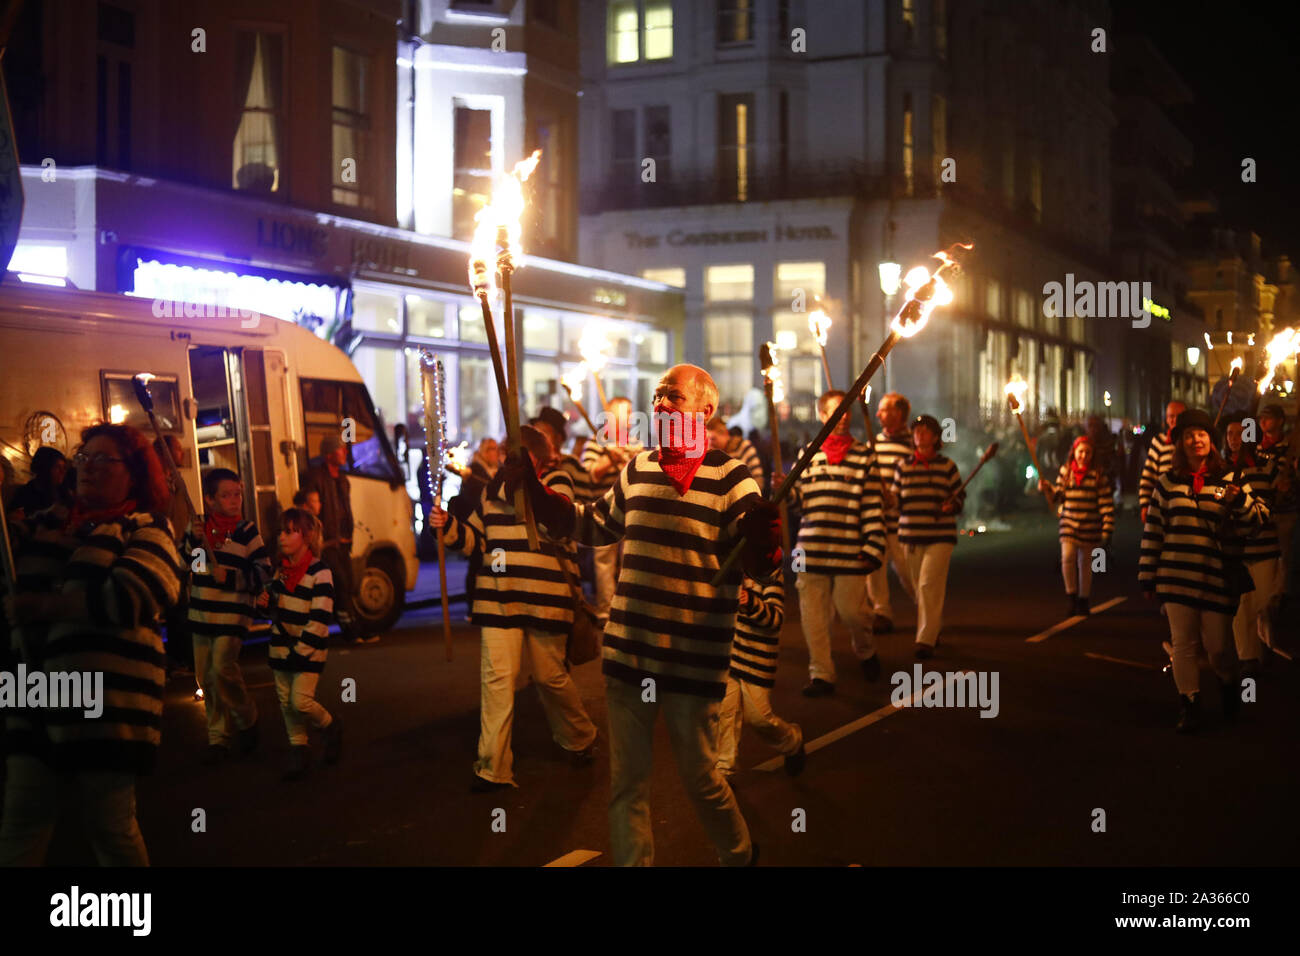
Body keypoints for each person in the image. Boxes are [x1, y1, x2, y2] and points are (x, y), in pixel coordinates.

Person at [505, 364, 780, 867]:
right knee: (628, 784)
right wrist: (538, 495)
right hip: (629, 653)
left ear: (705, 409)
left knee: (700, 778)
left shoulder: (731, 476)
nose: (660, 404)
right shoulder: (638, 469)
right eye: (656, 396)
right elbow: (592, 526)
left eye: (672, 395)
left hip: (694, 660)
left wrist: (766, 537)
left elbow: (759, 563)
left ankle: (739, 855)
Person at [1, 423, 182, 865]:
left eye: (105, 460)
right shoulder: (43, 524)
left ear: (135, 474)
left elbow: (131, 596)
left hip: (106, 708)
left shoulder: (147, 528)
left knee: (110, 827)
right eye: (84, 458)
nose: (88, 468)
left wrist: (42, 608)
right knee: (21, 824)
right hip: (34, 701)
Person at [430, 425, 598, 792]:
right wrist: (447, 528)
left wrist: (524, 482)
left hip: (546, 599)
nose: (505, 461)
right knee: (497, 681)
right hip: (498, 597)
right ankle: (493, 768)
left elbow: (555, 519)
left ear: (534, 458)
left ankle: (579, 736)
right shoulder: (491, 489)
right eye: (505, 455)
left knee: (550, 678)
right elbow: (476, 540)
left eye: (512, 456)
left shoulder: (560, 480)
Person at [1140, 409, 1264, 733]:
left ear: (1212, 441)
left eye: (1203, 434)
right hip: (1176, 577)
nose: (1197, 440)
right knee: (1183, 644)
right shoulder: (1167, 483)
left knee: (1219, 649)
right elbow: (1154, 529)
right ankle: (1190, 704)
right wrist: (1148, 574)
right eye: (1190, 435)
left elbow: (1258, 522)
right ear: (1180, 443)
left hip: (1216, 578)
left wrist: (1239, 503)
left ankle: (1228, 684)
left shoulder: (1230, 479)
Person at [792, 390, 887, 697]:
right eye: (837, 411)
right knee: (814, 617)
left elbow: (872, 505)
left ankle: (865, 650)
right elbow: (799, 502)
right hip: (811, 549)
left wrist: (873, 547)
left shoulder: (864, 456)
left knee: (852, 612)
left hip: (849, 550)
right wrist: (784, 490)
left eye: (847, 410)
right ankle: (821, 673)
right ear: (823, 415)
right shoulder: (808, 454)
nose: (844, 416)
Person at [184, 467, 272, 764]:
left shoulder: (247, 532)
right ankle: (218, 737)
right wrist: (194, 542)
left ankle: (246, 717)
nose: (235, 500)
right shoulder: (199, 529)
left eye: (237, 494)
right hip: (202, 612)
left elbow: (264, 572)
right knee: (205, 676)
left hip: (233, 613)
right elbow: (191, 568)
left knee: (222, 666)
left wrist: (233, 577)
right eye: (226, 495)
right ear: (210, 500)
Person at [257, 508, 342, 779]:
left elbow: (319, 618)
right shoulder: (280, 572)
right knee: (285, 703)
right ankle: (299, 749)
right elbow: (271, 610)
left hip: (308, 651)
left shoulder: (320, 572)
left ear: (306, 537)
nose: (282, 537)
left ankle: (330, 726)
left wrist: (301, 651)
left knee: (300, 701)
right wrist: (263, 603)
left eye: (290, 531)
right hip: (280, 647)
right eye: (281, 531)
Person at [716, 568, 804, 777]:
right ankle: (724, 769)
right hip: (728, 657)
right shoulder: (726, 568)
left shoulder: (770, 574)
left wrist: (750, 602)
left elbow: (775, 619)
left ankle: (792, 741)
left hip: (756, 661)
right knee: (725, 714)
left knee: (759, 719)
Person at [891, 415, 964, 659]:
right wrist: (886, 497)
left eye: (925, 431)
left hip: (940, 536)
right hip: (911, 535)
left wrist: (950, 506)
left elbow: (959, 498)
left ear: (935, 437)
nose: (920, 435)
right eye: (916, 431)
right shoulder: (903, 467)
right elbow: (895, 501)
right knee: (917, 587)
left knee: (927, 584)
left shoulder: (947, 466)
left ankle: (925, 640)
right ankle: (933, 628)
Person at [1224, 418, 1288, 677]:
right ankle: (1246, 657)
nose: (1234, 438)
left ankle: (1265, 647)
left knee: (1264, 605)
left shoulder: (1268, 467)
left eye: (1240, 433)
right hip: (1237, 551)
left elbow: (1281, 501)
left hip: (1264, 549)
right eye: (1229, 433)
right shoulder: (1222, 469)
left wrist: (1285, 488)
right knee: (1241, 607)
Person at [301, 435, 370, 643]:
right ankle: (351, 631)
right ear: (330, 453)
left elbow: (344, 510)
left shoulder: (342, 479)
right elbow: (311, 509)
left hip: (343, 542)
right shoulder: (316, 477)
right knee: (340, 582)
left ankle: (351, 627)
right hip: (327, 542)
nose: (345, 453)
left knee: (347, 582)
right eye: (341, 450)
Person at [580, 396, 642, 625]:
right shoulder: (596, 442)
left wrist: (628, 458)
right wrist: (608, 460)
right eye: (625, 412)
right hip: (603, 510)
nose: (629, 417)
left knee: (629, 560)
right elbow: (588, 473)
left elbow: (639, 473)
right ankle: (606, 607)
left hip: (628, 510)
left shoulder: (634, 442)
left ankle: (626, 606)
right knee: (604, 560)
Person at [1039, 435, 1115, 617]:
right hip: (1069, 523)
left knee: (1085, 563)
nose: (1084, 456)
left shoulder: (1098, 475)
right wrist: (1047, 488)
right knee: (1067, 557)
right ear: (1074, 453)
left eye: (1088, 452)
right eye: (1081, 451)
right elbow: (1058, 496)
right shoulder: (1066, 472)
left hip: (1090, 525)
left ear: (1092, 455)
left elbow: (1106, 503)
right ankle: (1071, 596)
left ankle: (1083, 599)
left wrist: (1107, 528)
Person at [867, 391, 917, 632]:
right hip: (876, 522)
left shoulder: (913, 447)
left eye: (884, 409)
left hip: (901, 524)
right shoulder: (872, 444)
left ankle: (925, 610)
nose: (878, 414)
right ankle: (881, 611)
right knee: (874, 568)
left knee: (907, 571)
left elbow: (918, 484)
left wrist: (896, 499)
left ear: (898, 414)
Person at [1255, 404, 1296, 592]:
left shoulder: (1290, 448)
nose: (1263, 421)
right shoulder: (1255, 449)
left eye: (1269, 418)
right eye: (1261, 417)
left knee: (1285, 559)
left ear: (1280, 421)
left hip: (1284, 514)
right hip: (1261, 512)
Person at [1139, 401, 1185, 525]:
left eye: (1178, 416)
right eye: (1171, 416)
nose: (1174, 420)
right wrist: (1144, 505)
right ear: (1166, 419)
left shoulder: (1191, 442)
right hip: (1162, 504)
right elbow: (1148, 475)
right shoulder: (1159, 441)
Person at [7, 447, 72, 520]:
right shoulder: (26, 493)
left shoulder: (63, 492)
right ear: (44, 468)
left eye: (64, 468)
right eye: (57, 467)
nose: (62, 472)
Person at [707, 416, 764, 490]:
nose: (710, 443)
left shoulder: (743, 446)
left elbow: (757, 478)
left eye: (713, 439)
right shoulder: (711, 453)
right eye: (707, 439)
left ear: (726, 434)